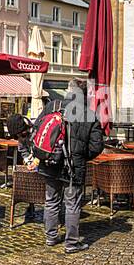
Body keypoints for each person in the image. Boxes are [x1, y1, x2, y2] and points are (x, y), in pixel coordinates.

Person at [35, 83, 103, 253]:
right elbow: (97, 146)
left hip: (50, 163)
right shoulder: (89, 114)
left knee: (51, 200)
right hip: (73, 166)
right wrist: (81, 156)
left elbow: (36, 130)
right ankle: (71, 243)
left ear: (68, 91)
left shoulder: (52, 106)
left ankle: (51, 237)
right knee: (72, 204)